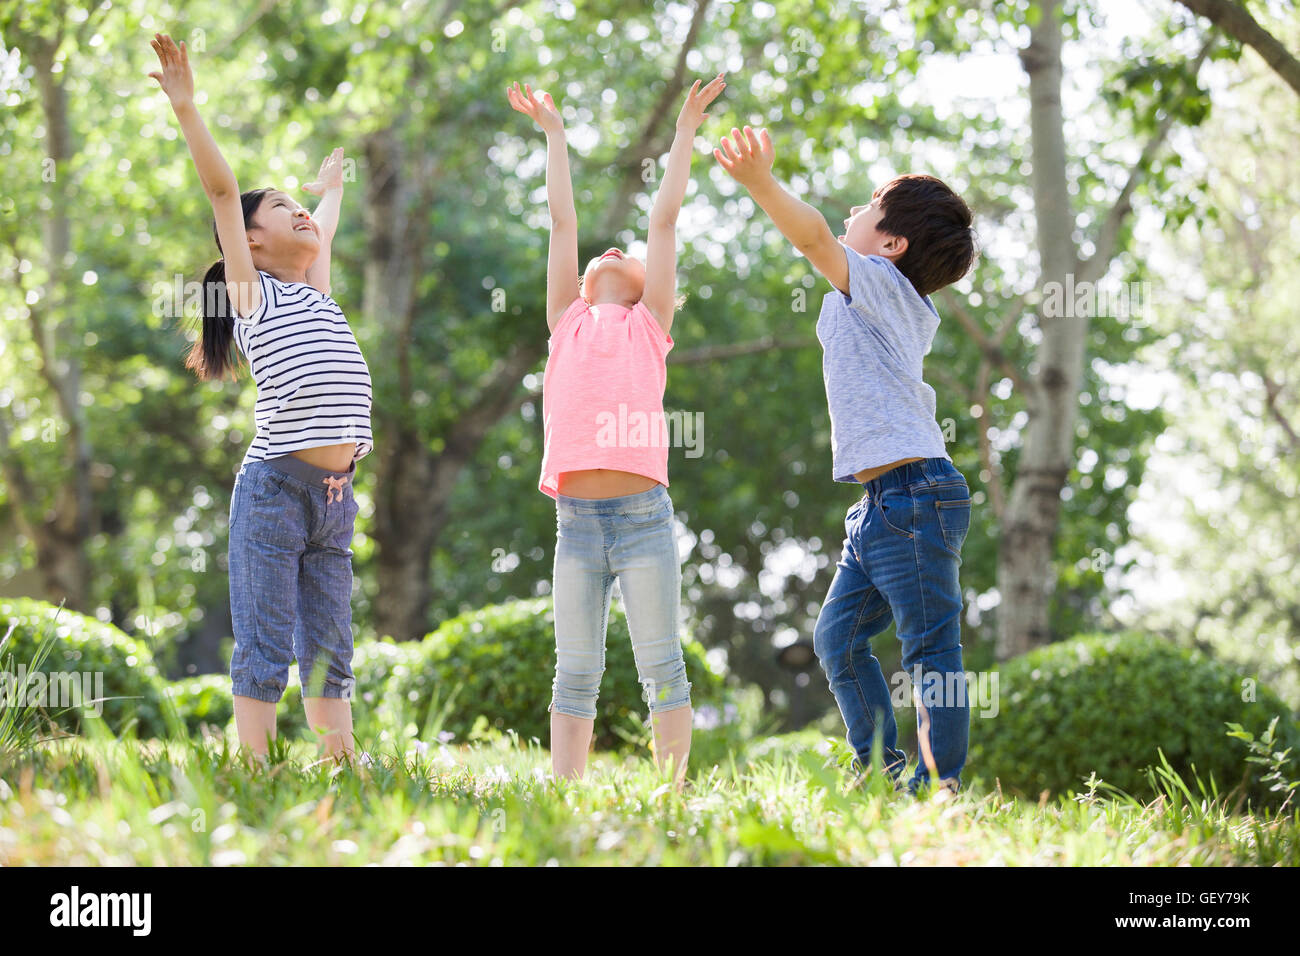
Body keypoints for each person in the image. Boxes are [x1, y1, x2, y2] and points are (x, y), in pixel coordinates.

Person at [715, 124, 977, 795]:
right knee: (837, 641)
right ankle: (882, 773)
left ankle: (940, 785)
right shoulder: (871, 291)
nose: (850, 212)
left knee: (929, 647)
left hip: (915, 493)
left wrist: (760, 183)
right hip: (881, 507)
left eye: (866, 206)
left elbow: (810, 239)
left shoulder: (885, 286)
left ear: (892, 245)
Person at [150, 33, 371, 764]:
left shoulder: (315, 291)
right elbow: (220, 189)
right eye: (284, 206)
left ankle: (340, 761)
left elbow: (324, 229)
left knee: (330, 638)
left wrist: (330, 191)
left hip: (336, 498)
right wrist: (188, 110)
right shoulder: (258, 297)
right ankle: (255, 763)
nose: (303, 213)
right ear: (248, 240)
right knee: (267, 635)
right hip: (275, 489)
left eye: (302, 206)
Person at [506, 75, 725, 784]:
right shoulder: (564, 320)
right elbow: (563, 223)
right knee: (575, 672)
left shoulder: (648, 323)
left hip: (642, 520)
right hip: (577, 523)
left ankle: (670, 790)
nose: (610, 250)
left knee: (662, 664)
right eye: (604, 253)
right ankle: (565, 791)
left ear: (644, 282)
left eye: (623, 254)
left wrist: (685, 133)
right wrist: (555, 135)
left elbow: (663, 221)